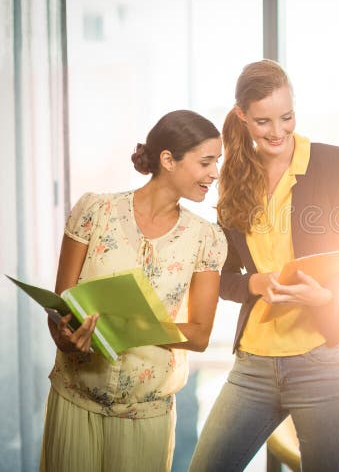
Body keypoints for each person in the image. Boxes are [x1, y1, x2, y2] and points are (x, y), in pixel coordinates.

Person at [189, 59, 339, 472]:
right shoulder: (234, 176)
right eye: (263, 121)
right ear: (242, 117)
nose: (277, 131)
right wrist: (256, 284)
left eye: (286, 117)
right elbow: (222, 277)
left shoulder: (333, 163)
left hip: (324, 361)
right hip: (254, 365)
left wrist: (324, 297)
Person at [41, 110, 227, 472]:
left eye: (216, 162)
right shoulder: (94, 211)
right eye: (206, 162)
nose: (215, 173)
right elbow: (60, 306)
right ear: (168, 160)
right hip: (75, 398)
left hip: (146, 414)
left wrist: (132, 326)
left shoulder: (206, 239)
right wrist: (64, 338)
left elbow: (200, 334)